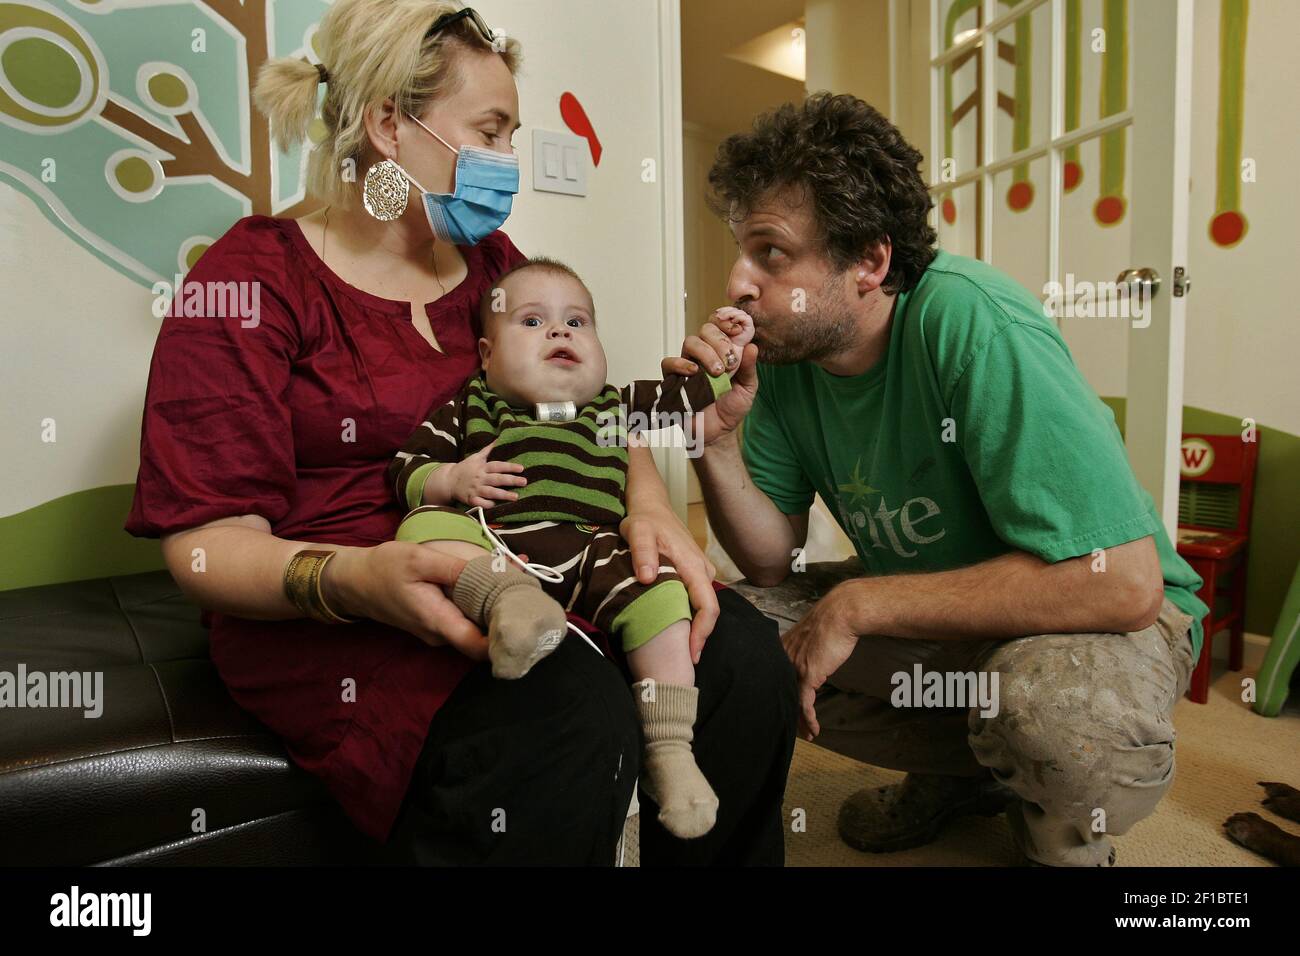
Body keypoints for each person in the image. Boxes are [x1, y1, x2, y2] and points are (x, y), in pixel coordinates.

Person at [124, 0, 796, 866]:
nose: (509, 162)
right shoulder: (250, 281)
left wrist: (649, 502)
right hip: (337, 602)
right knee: (567, 714)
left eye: (512, 135)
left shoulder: (495, 268)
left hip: (532, 550)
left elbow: (581, 401)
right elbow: (206, 548)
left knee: (743, 660)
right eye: (490, 132)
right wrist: (360, 577)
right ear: (387, 126)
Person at [670, 92, 1209, 867]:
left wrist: (864, 601)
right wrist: (713, 446)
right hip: (950, 607)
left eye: (771, 253)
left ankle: (1062, 831)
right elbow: (769, 562)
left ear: (870, 261)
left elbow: (1123, 584)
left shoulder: (971, 321)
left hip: (1099, 614)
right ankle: (969, 775)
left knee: (1056, 721)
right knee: (710, 634)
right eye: (740, 252)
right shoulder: (790, 360)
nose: (738, 283)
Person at [388, 258, 754, 839]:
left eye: (578, 322)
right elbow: (408, 469)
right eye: (532, 322)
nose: (561, 332)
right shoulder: (473, 406)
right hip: (499, 546)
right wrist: (451, 482)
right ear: (486, 355)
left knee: (661, 597)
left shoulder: (612, 406)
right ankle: (510, 604)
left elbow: (686, 394)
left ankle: (670, 749)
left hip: (596, 550)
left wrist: (727, 349)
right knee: (424, 527)